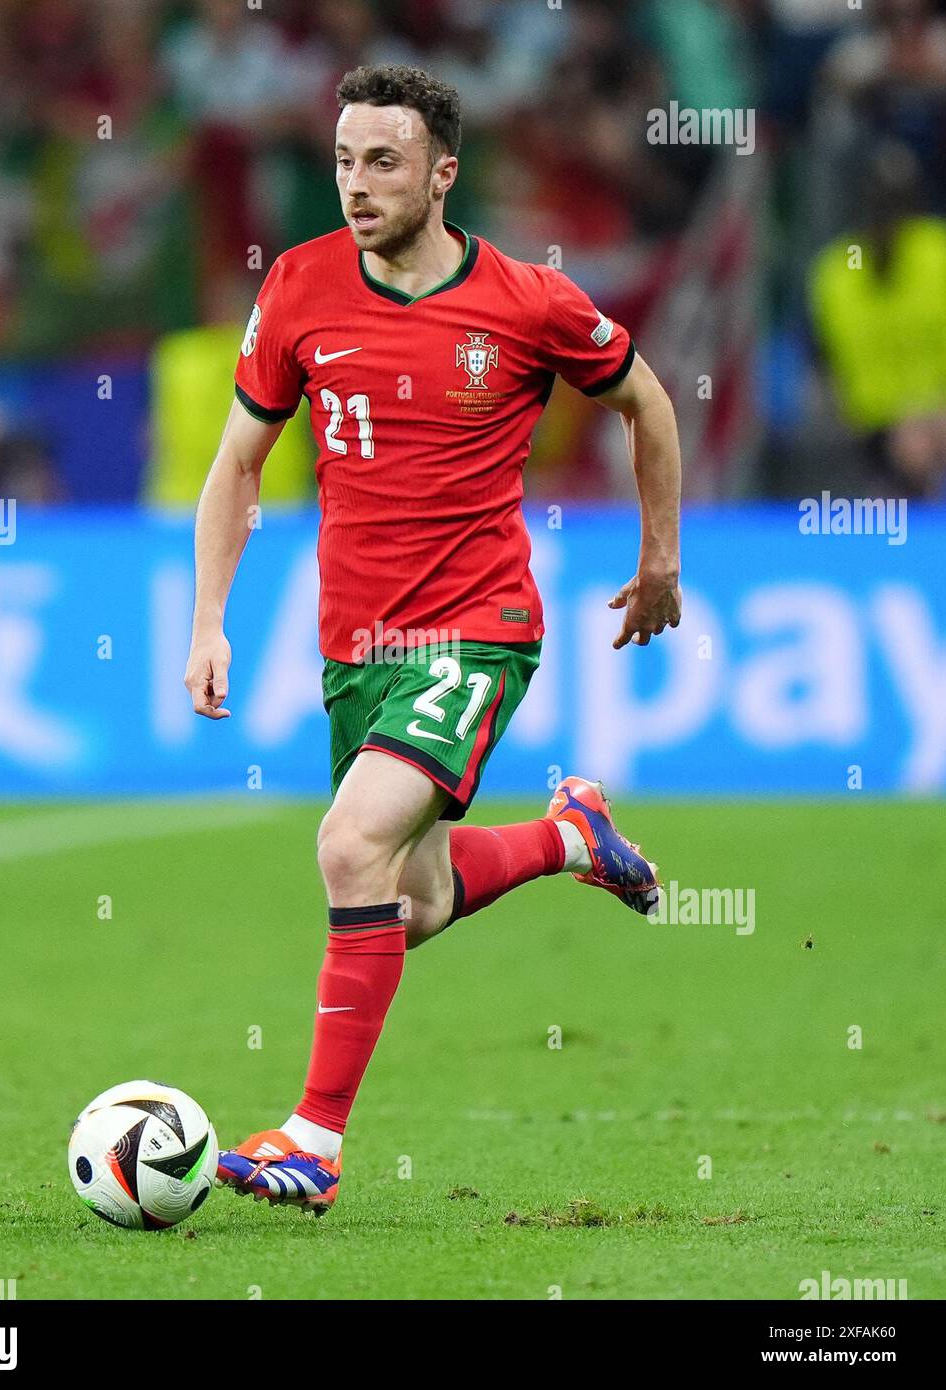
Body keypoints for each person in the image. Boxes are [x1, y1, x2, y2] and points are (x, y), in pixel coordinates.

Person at [184, 66, 682, 1216]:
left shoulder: (527, 300)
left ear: (443, 173)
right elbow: (238, 465)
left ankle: (314, 1142)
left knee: (349, 845)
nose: (357, 185)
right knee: (408, 905)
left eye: (384, 161)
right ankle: (572, 837)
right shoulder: (299, 286)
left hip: (476, 630)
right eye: (344, 161)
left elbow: (647, 401)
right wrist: (208, 618)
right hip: (354, 650)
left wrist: (660, 560)